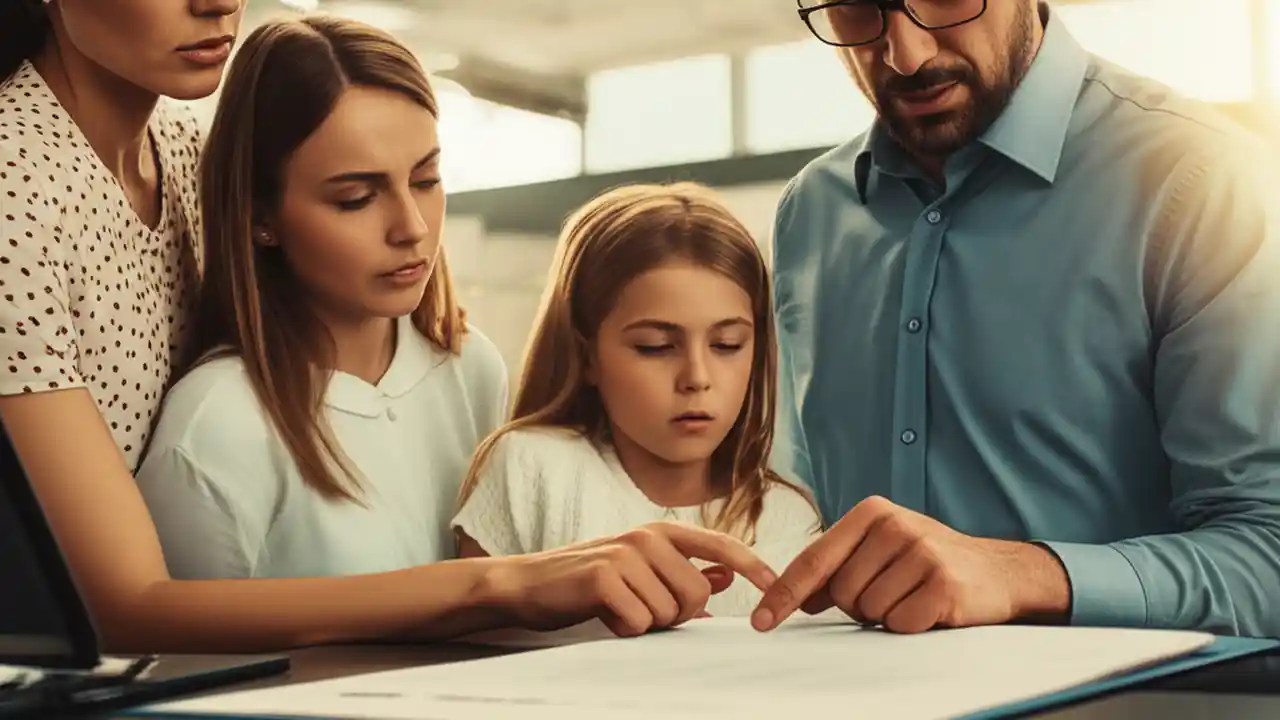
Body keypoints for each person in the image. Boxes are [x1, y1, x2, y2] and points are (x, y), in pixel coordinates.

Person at [0, 4, 776, 653]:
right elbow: (133, 612)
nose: (411, 228)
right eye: (353, 197)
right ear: (261, 216)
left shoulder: (179, 142)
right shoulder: (21, 189)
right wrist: (502, 584)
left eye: (430, 179)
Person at [753, 0, 1280, 637]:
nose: (906, 55)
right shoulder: (810, 212)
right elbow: (795, 509)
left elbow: (1267, 552)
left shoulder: (1203, 181)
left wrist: (1022, 575)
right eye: (857, 9)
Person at [452, 183, 823, 617]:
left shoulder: (788, 517)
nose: (697, 379)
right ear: (586, 355)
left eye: (726, 344)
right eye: (655, 347)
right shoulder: (531, 469)